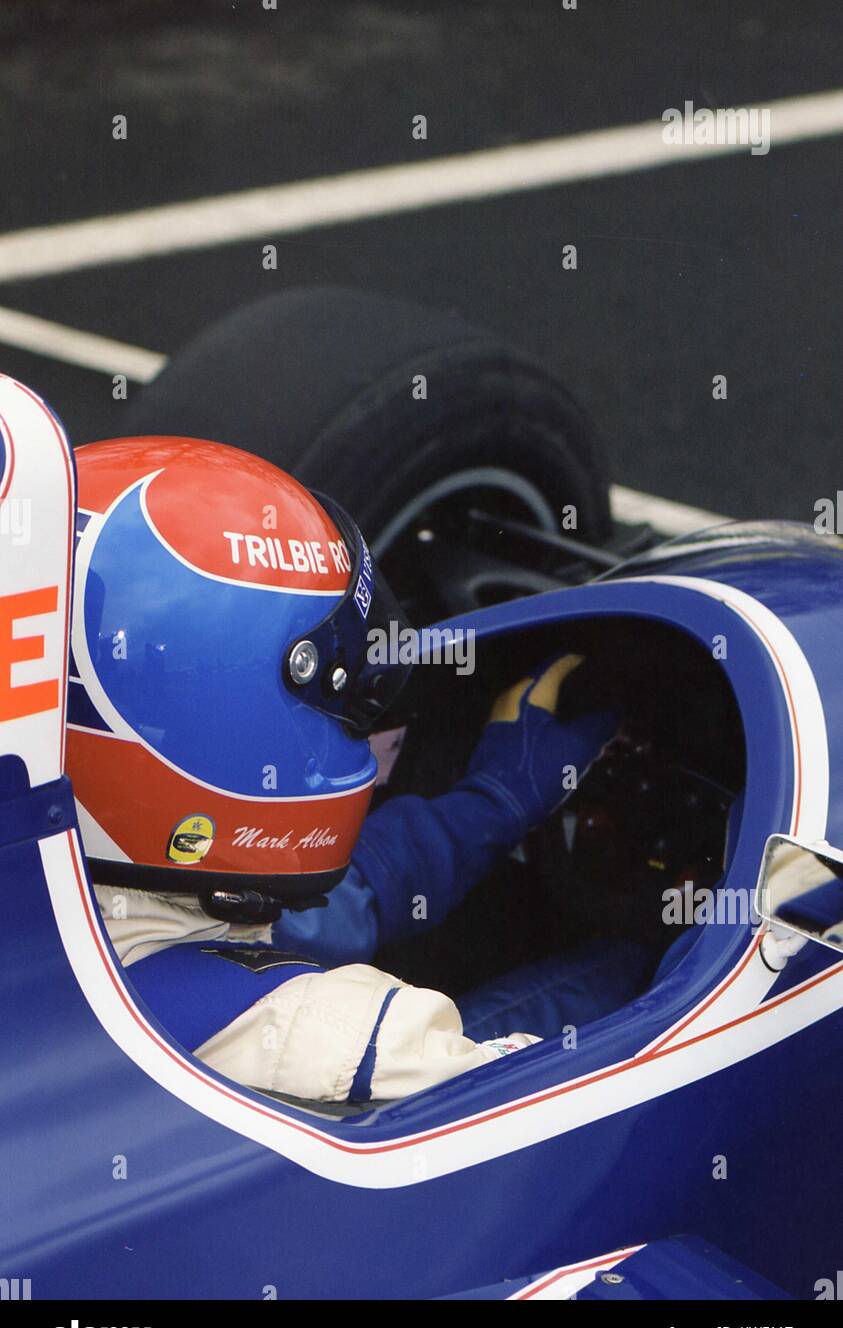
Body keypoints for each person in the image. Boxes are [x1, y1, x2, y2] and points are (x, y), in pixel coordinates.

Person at [68, 435, 627, 1105]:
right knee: (632, 977)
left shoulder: (113, 893)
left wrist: (487, 808)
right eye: (342, 697)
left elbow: (276, 919)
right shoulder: (359, 1049)